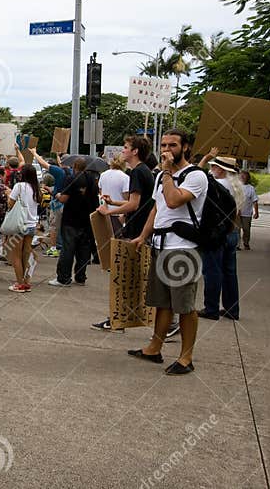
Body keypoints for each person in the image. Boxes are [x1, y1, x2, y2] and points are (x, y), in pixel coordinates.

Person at [127, 129, 208, 376]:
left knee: (184, 306)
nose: (166, 150)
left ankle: (186, 357)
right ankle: (154, 347)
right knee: (162, 303)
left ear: (185, 148)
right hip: (161, 245)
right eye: (163, 145)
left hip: (182, 249)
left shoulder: (195, 176)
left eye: (172, 145)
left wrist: (169, 173)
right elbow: (157, 208)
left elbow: (173, 201)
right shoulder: (163, 175)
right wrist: (144, 235)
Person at [92, 135, 154, 331]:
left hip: (136, 231)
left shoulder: (137, 172)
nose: (123, 151)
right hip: (140, 229)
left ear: (135, 151)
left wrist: (108, 211)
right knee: (133, 278)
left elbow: (134, 205)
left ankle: (117, 319)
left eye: (126, 147)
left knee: (123, 277)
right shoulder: (144, 171)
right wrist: (114, 203)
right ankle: (119, 319)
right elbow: (140, 202)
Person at [196, 153, 243, 321]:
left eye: (214, 166)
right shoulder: (236, 185)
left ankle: (211, 308)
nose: (212, 169)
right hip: (232, 231)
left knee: (212, 270)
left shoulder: (218, 184)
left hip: (217, 232)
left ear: (221, 170)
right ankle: (232, 308)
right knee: (229, 272)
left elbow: (197, 175)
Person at [49, 157, 97, 287]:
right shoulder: (92, 180)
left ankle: (63, 278)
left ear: (74, 166)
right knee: (84, 249)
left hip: (71, 219)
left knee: (68, 249)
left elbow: (64, 198)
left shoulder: (71, 179)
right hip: (87, 220)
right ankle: (80, 277)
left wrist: (58, 195)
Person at [29, 150, 73, 258]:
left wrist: (35, 153)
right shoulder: (71, 172)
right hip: (68, 203)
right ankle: (65, 248)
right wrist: (58, 155)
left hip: (57, 203)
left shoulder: (59, 172)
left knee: (53, 226)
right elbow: (62, 163)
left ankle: (54, 248)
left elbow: (44, 164)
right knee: (64, 226)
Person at [6, 164, 39, 293]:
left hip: (20, 225)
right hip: (31, 225)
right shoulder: (37, 189)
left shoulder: (19, 187)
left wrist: (9, 194)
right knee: (26, 254)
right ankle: (25, 282)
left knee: (16, 255)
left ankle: (19, 284)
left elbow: (10, 204)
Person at [97, 154, 130, 235]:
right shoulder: (125, 177)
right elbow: (127, 198)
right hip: (119, 213)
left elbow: (100, 191)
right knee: (118, 240)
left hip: (104, 212)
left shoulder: (103, 175)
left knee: (105, 238)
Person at [238, 170, 259, 250]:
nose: (242, 177)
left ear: (248, 178)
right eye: (241, 175)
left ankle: (246, 243)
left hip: (247, 213)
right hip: (237, 213)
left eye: (244, 176)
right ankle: (237, 245)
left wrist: (256, 212)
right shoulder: (236, 187)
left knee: (246, 230)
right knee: (237, 230)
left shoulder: (251, 188)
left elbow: (255, 201)